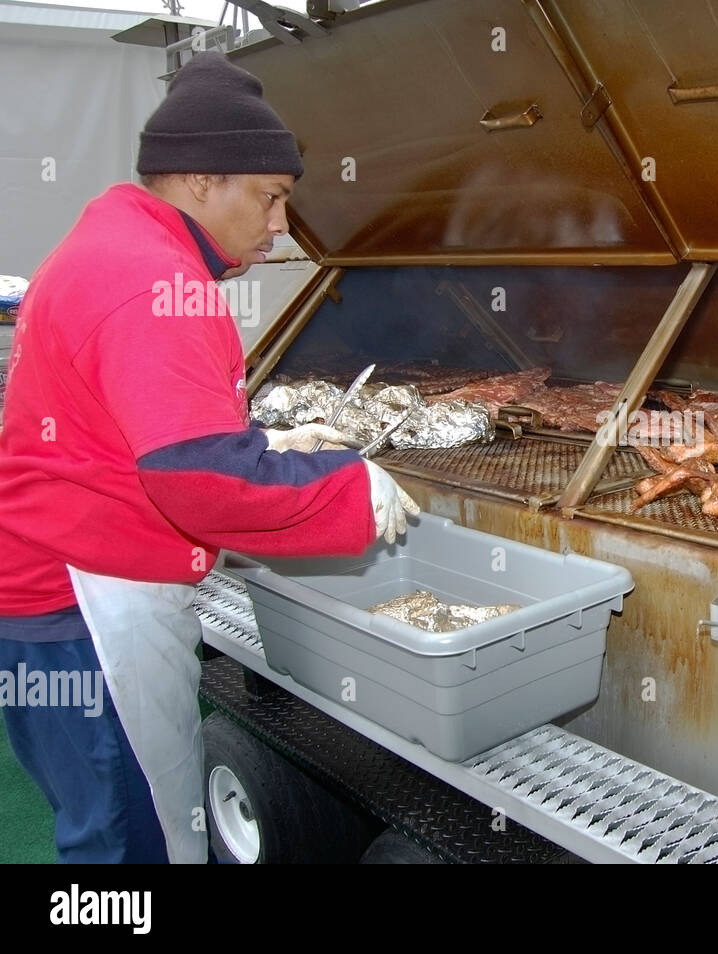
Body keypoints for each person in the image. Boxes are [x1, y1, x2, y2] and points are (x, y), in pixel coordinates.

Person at [0, 53, 417, 863]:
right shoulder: (149, 279)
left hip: (52, 595)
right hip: (84, 608)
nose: (277, 226)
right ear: (199, 181)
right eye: (269, 198)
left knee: (102, 824)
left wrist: (263, 443)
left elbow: (128, 428)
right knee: (132, 842)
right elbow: (192, 480)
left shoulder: (113, 244)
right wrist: (346, 488)